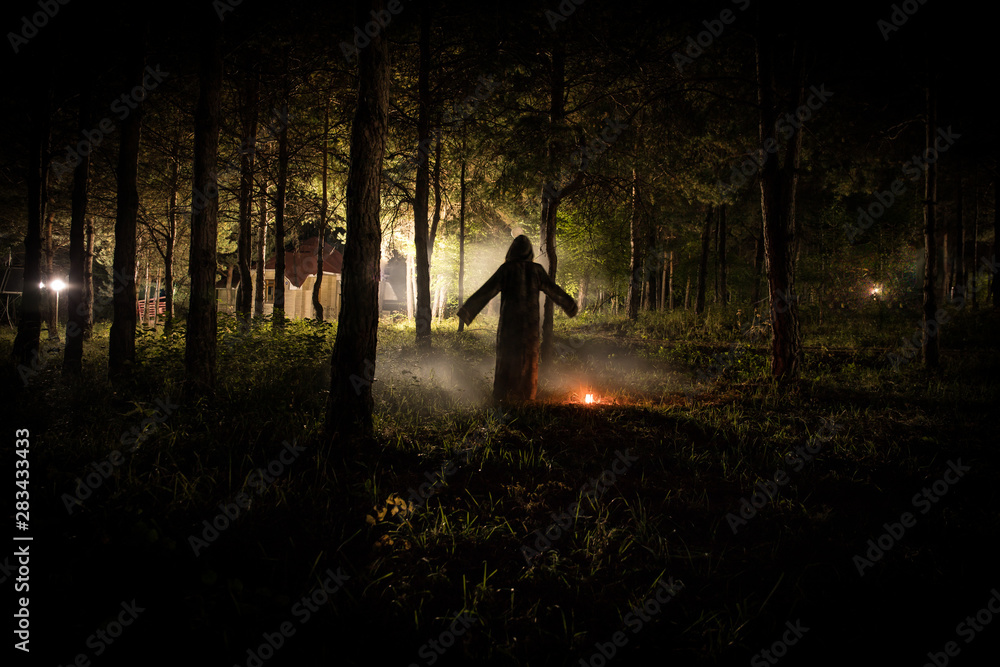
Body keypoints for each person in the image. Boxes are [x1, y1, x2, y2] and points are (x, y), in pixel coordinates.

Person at [457, 235, 578, 403]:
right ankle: (526, 399)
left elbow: (487, 290)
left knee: (507, 360)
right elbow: (553, 290)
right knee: (528, 363)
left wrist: (467, 311)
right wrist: (570, 306)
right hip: (530, 328)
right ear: (529, 252)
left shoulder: (506, 269)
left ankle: (503, 398)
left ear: (512, 251)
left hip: (509, 326)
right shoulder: (537, 270)